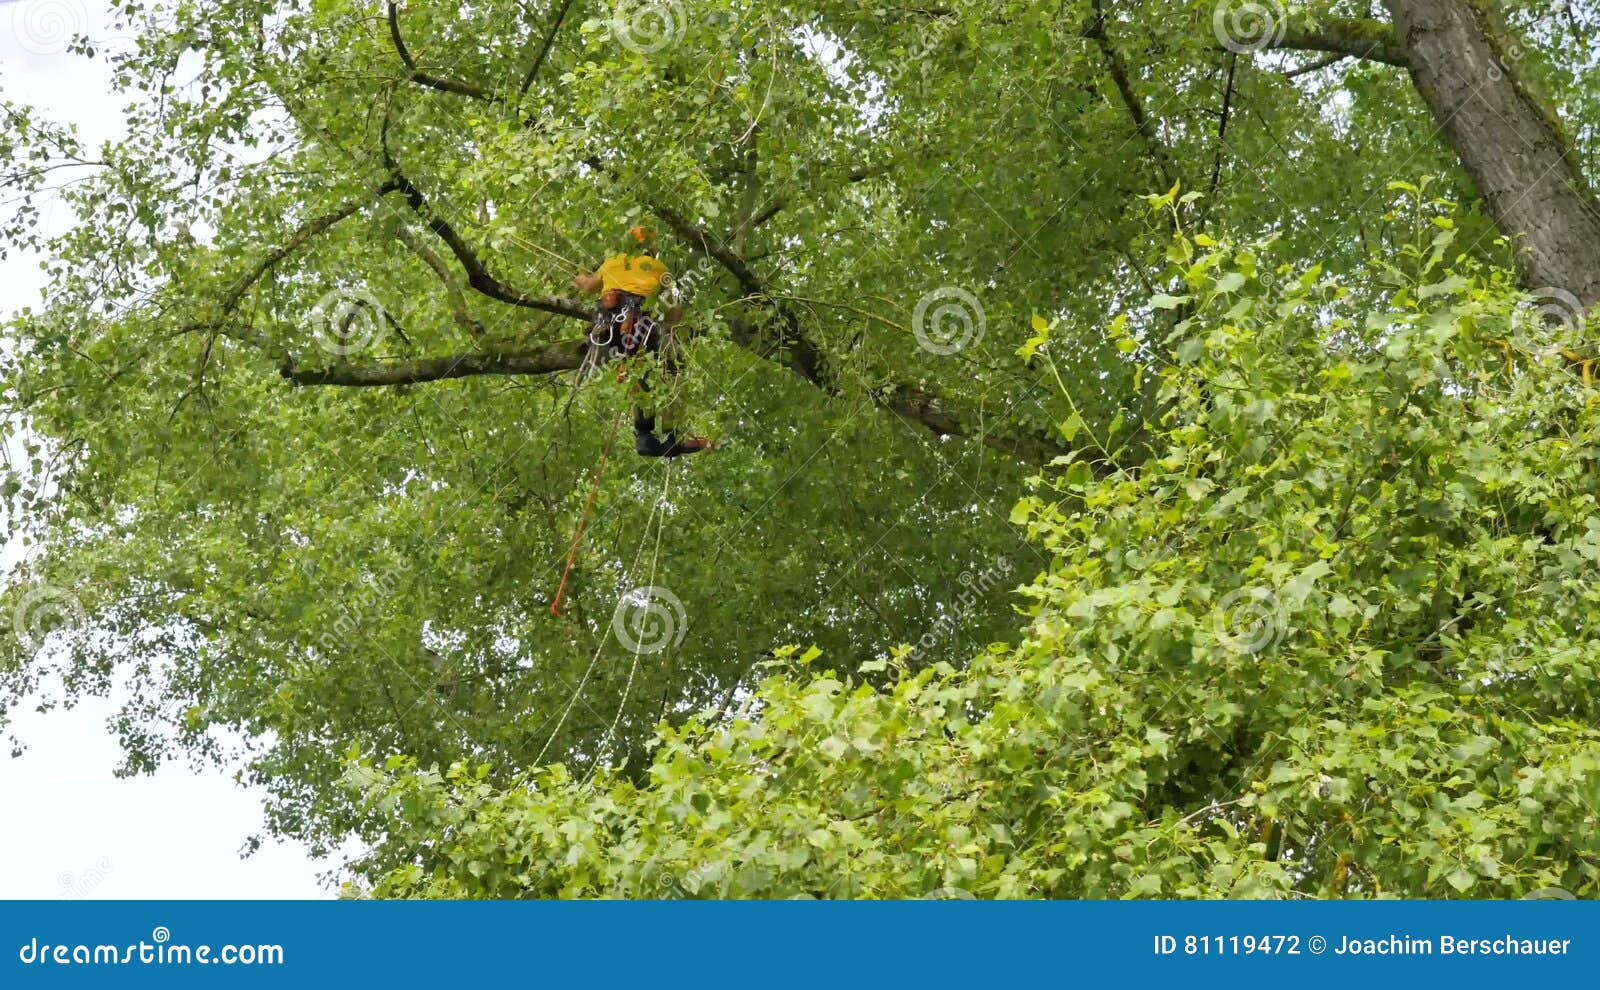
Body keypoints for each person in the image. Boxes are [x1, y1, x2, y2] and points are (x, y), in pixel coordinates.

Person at [574, 225, 710, 458]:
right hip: (640, 321)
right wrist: (675, 327)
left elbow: (587, 286)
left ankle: (645, 434)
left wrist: (578, 275)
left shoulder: (611, 262)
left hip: (609, 325)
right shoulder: (657, 267)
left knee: (638, 371)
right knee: (670, 372)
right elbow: (672, 304)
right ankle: (671, 435)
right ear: (651, 247)